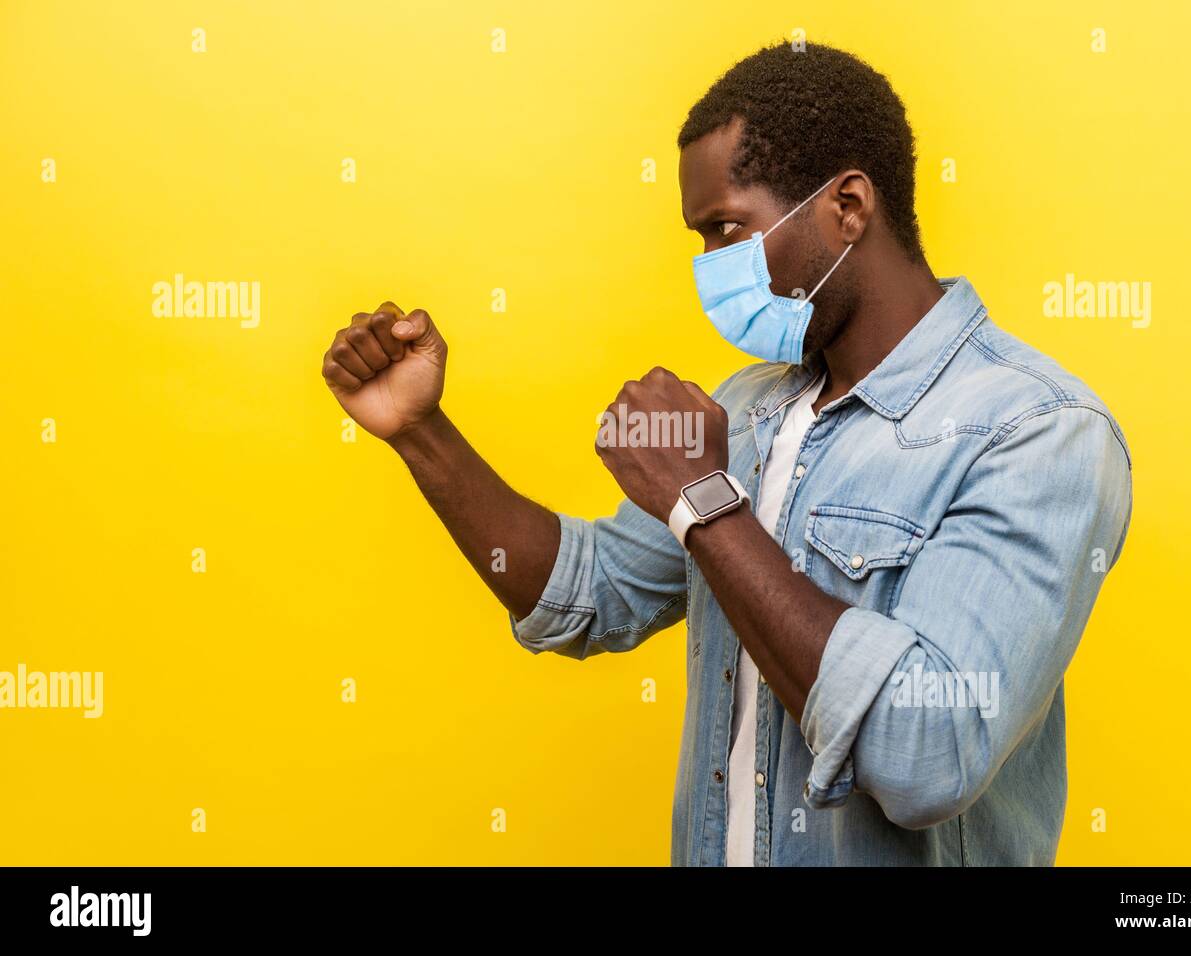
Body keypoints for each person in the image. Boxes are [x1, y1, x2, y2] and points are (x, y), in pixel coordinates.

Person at [320, 42, 1133, 866]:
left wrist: (702, 500)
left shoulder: (1036, 429)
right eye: (700, 239)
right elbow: (587, 597)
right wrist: (420, 431)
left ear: (847, 206)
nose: (711, 268)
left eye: (728, 229)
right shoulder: (748, 407)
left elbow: (924, 758)